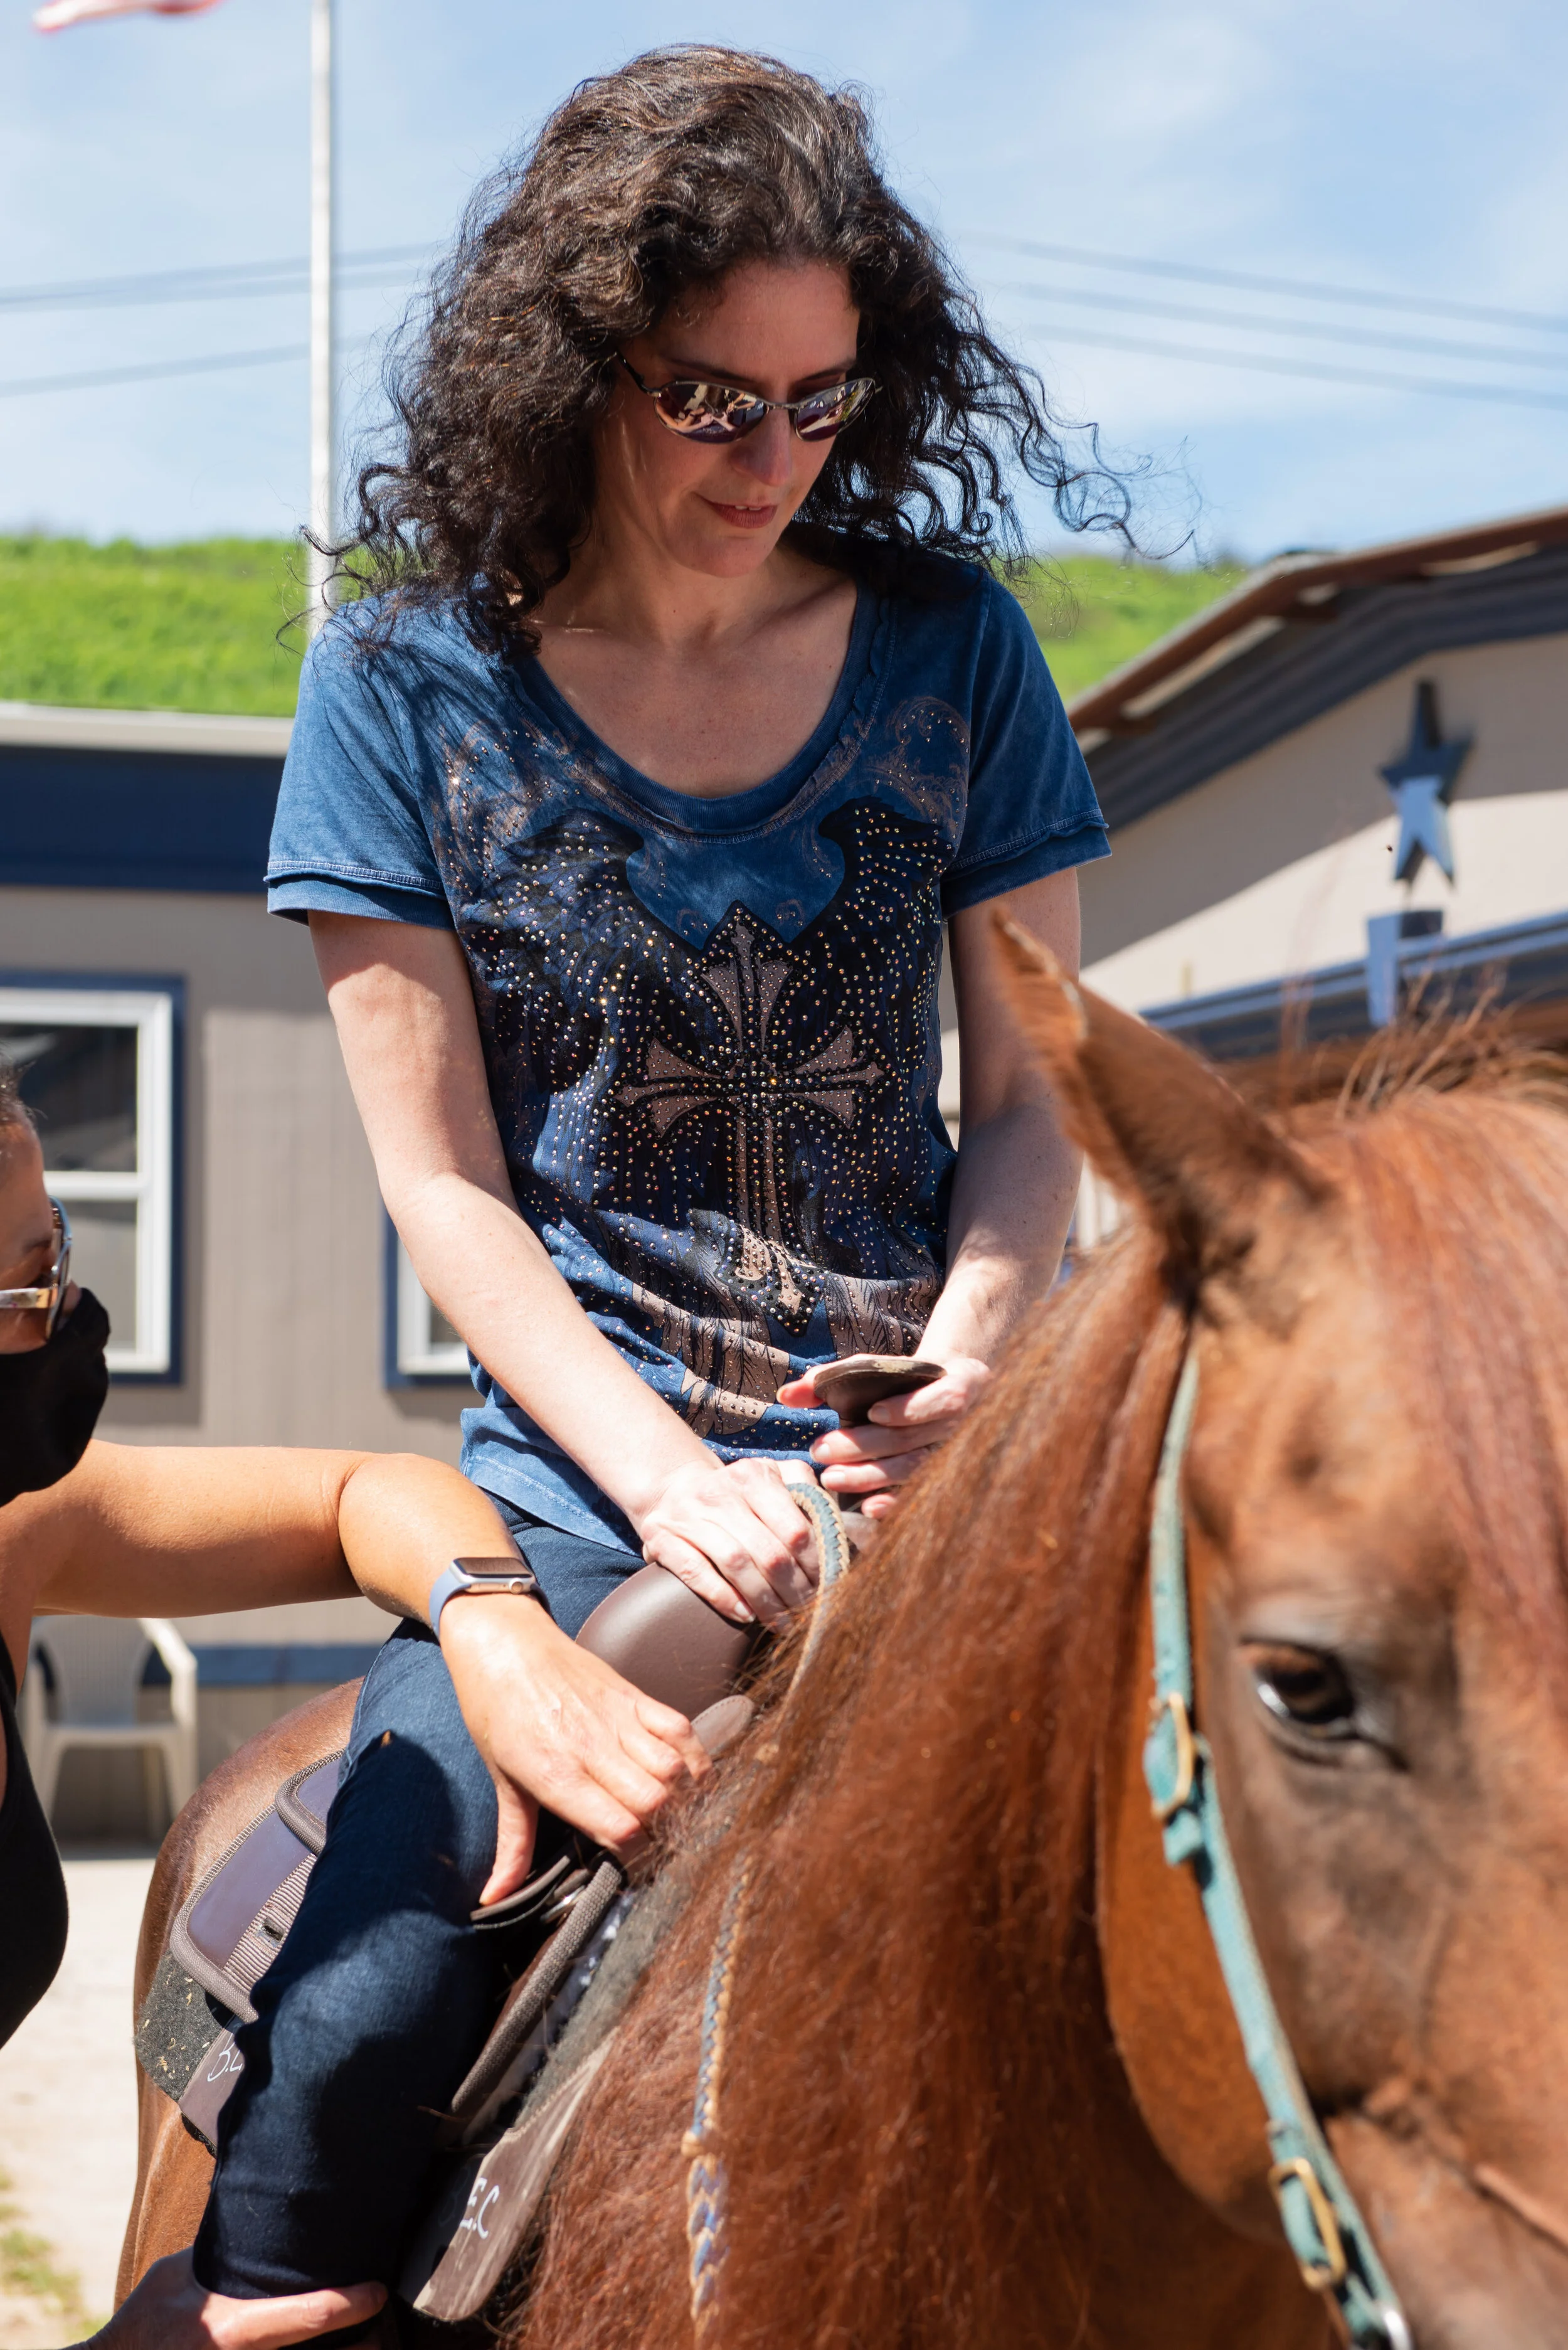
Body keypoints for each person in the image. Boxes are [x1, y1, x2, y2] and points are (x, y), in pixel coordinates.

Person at [195, 41, 1124, 2316]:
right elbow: (446, 1186)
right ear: (580, 355)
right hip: (589, 1488)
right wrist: (669, 1477)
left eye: (823, 403)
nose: (774, 459)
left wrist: (970, 1369)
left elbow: (1031, 1110)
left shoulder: (954, 653)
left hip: (933, 1463)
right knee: (355, 2017)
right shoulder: (406, 685)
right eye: (718, 398)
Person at [0, 1069, 704, 2347]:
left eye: (58, 1265)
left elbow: (364, 1495)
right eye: (21, 1293)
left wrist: (492, 1621)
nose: (60, 1324)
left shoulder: (17, 1526)